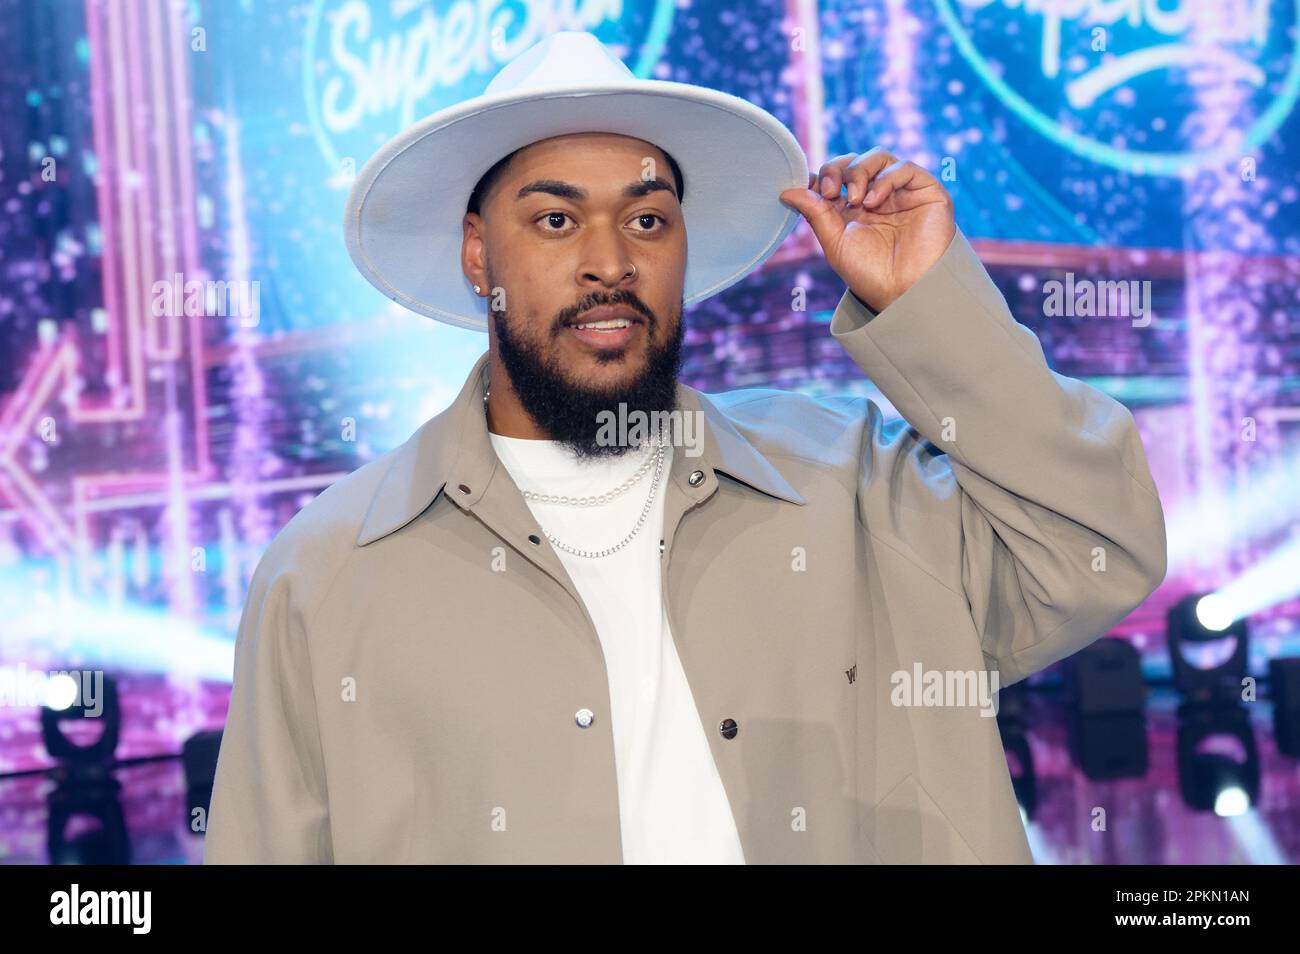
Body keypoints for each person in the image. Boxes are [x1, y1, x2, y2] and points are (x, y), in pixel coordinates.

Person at [204, 31, 1166, 864]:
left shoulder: (858, 486)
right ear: (475, 254)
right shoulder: (327, 575)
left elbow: (1100, 548)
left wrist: (932, 308)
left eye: (647, 217)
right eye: (553, 219)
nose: (610, 260)